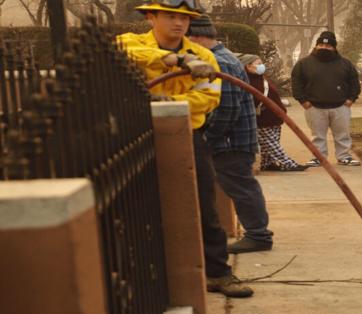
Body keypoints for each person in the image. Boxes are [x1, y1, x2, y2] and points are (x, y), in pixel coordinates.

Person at [115, 1, 251, 297]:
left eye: (184, 19)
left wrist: (170, 106)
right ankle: (141, 279)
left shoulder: (203, 57)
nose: (178, 23)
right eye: (171, 16)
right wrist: (174, 61)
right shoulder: (131, 43)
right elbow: (119, 52)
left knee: (203, 204)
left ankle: (218, 273)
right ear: (150, 17)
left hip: (186, 135)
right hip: (134, 138)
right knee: (138, 207)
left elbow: (208, 97)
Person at [186, 15, 273, 254]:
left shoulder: (218, 62)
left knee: (241, 186)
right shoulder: (223, 58)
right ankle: (257, 232)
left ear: (197, 37)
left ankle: (258, 234)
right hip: (234, 138)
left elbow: (227, 107)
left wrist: (209, 137)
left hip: (231, 140)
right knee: (241, 184)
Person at [291, 30, 360, 166]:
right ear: (316, 46)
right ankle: (318, 157)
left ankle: (344, 156)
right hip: (314, 107)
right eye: (321, 45)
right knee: (317, 136)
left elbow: (354, 83)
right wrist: (303, 101)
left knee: (342, 135)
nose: (324, 48)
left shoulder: (345, 64)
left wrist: (351, 99)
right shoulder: (303, 64)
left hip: (341, 106)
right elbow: (296, 83)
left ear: (334, 48)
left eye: (328, 46)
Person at [238, 53, 305, 171]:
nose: (261, 66)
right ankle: (288, 164)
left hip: (274, 117)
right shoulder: (247, 82)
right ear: (248, 66)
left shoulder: (261, 79)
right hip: (263, 118)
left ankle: (267, 163)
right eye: (258, 64)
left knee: (271, 142)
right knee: (271, 144)